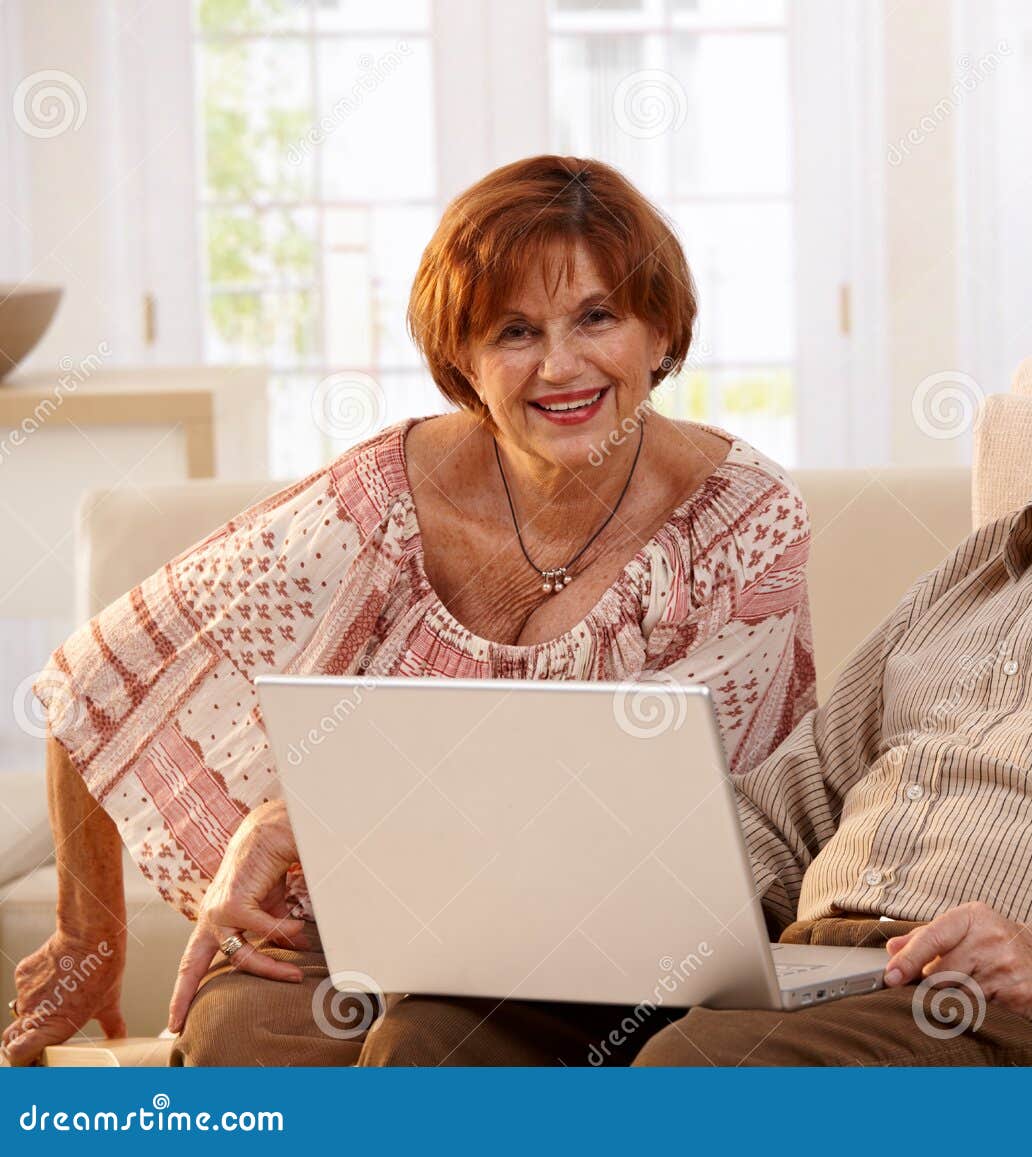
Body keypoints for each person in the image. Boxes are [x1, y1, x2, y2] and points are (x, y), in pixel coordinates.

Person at [319, 169, 1032, 1067]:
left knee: (705, 1074)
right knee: (440, 1036)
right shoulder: (985, 563)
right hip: (812, 977)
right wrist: (581, 900)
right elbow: (794, 800)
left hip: (1025, 1021)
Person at [2, 155, 816, 1067]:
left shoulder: (742, 515)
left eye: (598, 315)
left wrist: (303, 817)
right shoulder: (382, 496)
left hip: (608, 954)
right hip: (369, 931)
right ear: (462, 360)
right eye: (514, 331)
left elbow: (675, 812)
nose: (561, 365)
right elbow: (96, 677)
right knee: (237, 1032)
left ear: (660, 329)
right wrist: (87, 940)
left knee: (425, 1046)